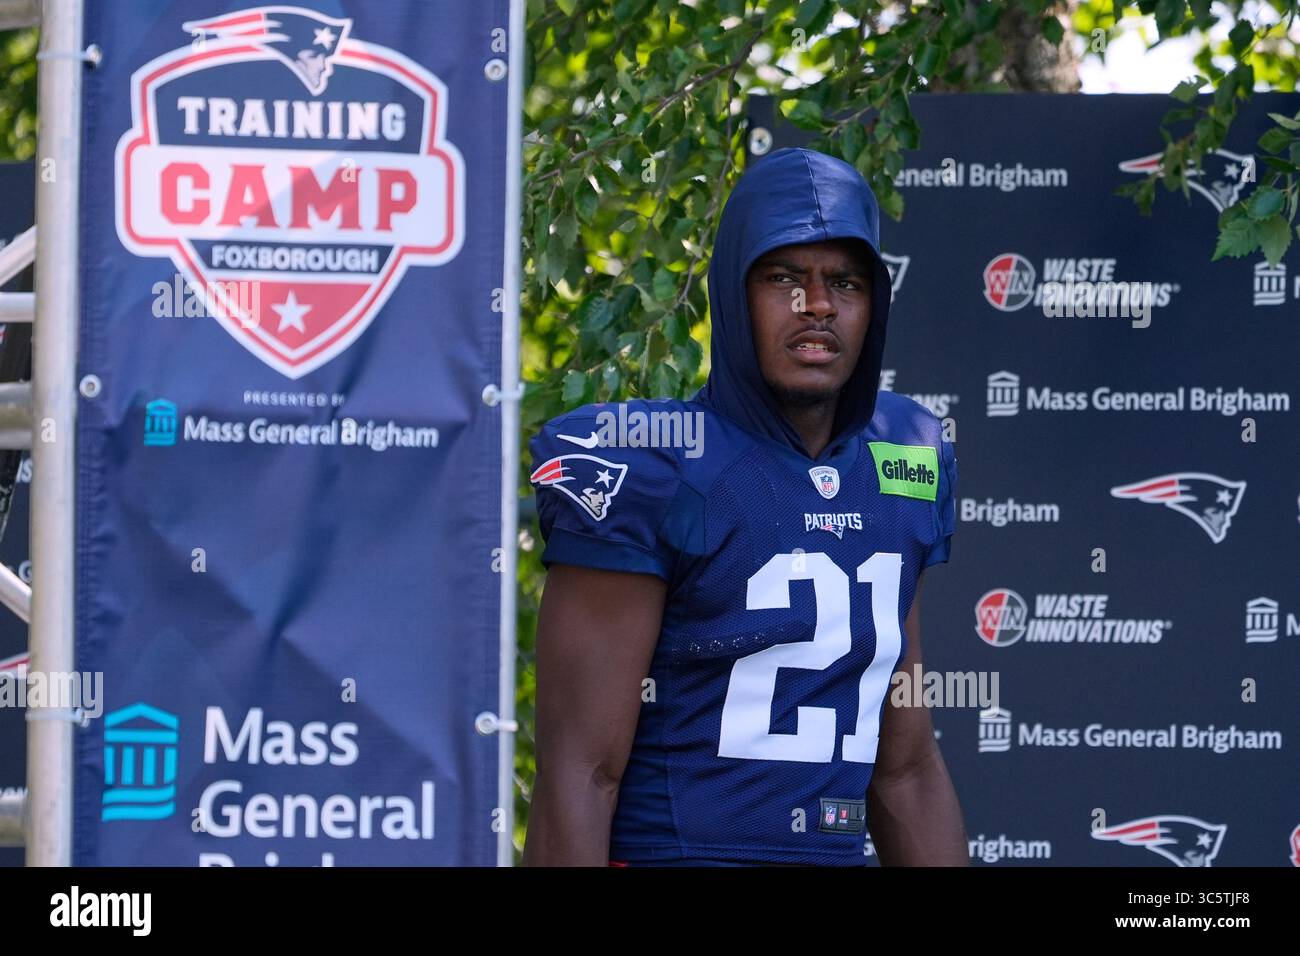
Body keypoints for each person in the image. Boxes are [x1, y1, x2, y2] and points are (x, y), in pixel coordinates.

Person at [522, 147, 968, 866]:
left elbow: (907, 771)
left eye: (844, 282)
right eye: (783, 278)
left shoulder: (905, 458)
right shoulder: (653, 462)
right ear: (733, 294)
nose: (816, 305)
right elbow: (582, 776)